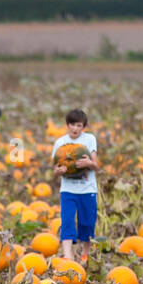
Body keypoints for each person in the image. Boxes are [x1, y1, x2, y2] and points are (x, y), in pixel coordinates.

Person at [51, 108, 101, 264]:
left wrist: (88, 163)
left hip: (87, 189)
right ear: (67, 125)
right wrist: (60, 170)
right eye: (72, 125)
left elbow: (96, 165)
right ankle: (68, 257)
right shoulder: (60, 142)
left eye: (79, 125)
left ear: (83, 127)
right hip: (68, 190)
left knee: (87, 223)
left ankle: (85, 254)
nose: (75, 128)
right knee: (67, 222)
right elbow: (55, 170)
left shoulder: (89, 139)